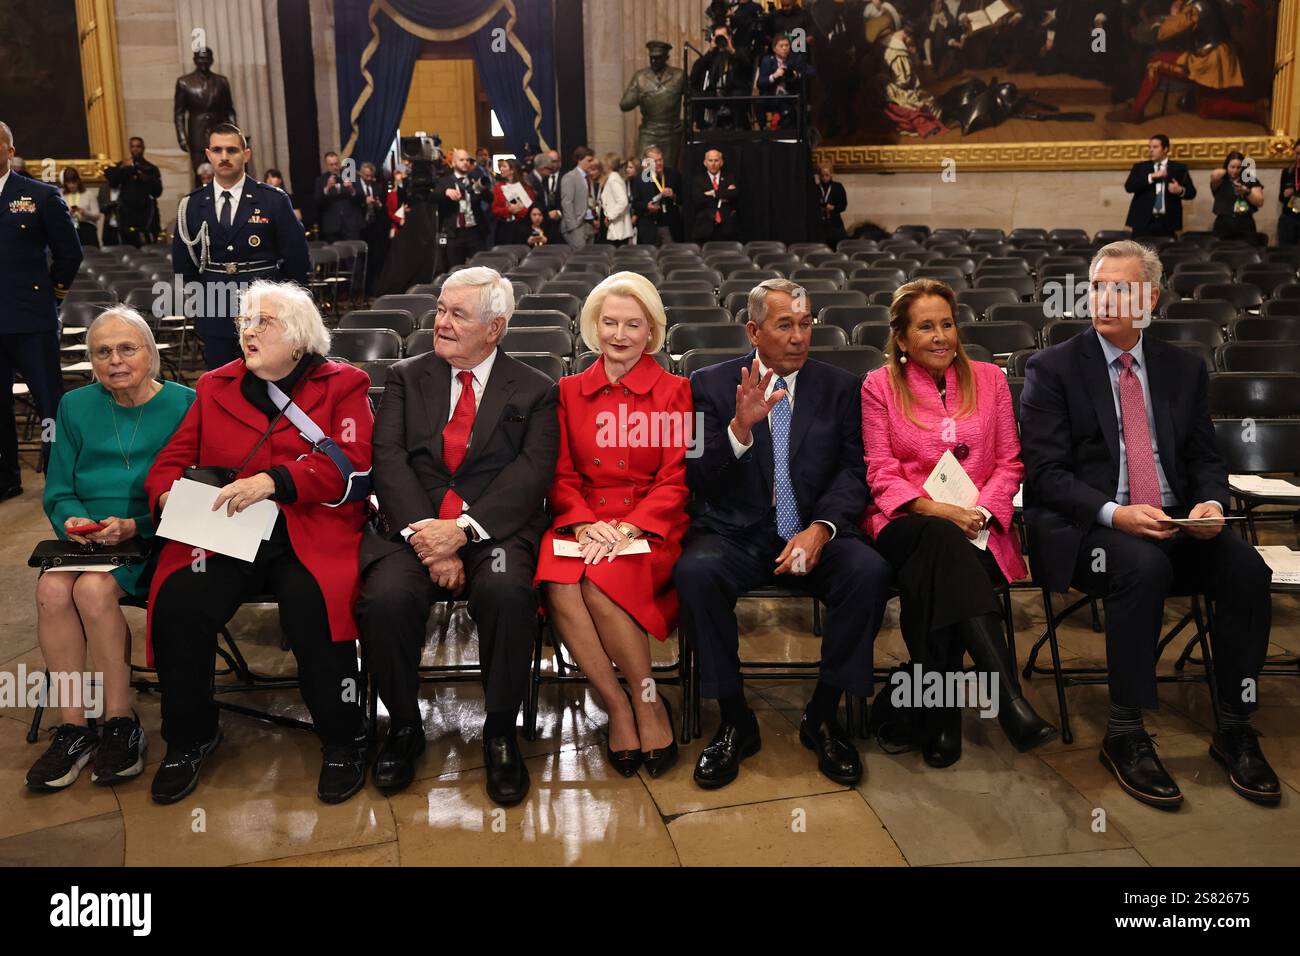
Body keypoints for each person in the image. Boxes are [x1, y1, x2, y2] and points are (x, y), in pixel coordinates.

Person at [1020, 240, 1278, 809]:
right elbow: (1045, 476)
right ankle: (1125, 729)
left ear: (1151, 298)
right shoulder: (1053, 368)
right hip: (1090, 525)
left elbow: (1206, 460)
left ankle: (1235, 722)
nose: (1106, 298)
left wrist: (1209, 505)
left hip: (1175, 520)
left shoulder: (1183, 368)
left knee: (1245, 570)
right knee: (1139, 563)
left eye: (1122, 287)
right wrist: (1117, 514)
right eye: (1099, 286)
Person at [143, 280, 374, 805]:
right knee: (181, 602)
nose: (248, 331)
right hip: (226, 533)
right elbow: (173, 459)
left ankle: (344, 736)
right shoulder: (214, 386)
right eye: (245, 321)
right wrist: (165, 499)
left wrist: (275, 481)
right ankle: (191, 735)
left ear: (296, 336)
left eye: (262, 322)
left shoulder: (345, 384)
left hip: (307, 528)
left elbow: (354, 466)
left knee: (310, 602)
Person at [675, 278, 893, 789]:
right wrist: (740, 431)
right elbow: (697, 476)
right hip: (737, 533)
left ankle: (822, 714)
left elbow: (853, 471)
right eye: (785, 325)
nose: (799, 336)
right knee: (696, 573)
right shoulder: (706, 384)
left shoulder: (840, 386)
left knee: (869, 572)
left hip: (815, 532)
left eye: (806, 323)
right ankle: (734, 719)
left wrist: (821, 529)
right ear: (753, 330)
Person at [357, 267, 560, 806]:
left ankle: (499, 730)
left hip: (494, 530)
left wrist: (463, 531)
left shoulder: (536, 389)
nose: (440, 323)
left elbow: (531, 475)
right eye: (440, 310)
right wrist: (429, 537)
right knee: (387, 599)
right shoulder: (406, 375)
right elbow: (389, 459)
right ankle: (403, 726)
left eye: (456, 315)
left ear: (495, 327)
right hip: (412, 523)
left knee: (507, 593)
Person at [861, 279, 1057, 768]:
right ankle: (1009, 699)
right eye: (925, 327)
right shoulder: (879, 385)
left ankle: (940, 716)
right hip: (906, 521)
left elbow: (1011, 463)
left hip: (981, 525)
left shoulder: (990, 379)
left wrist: (985, 512)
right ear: (902, 339)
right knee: (939, 541)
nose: (940, 336)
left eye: (947, 324)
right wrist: (940, 511)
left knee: (939, 576)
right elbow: (880, 470)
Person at [28, 309, 194, 792]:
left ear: (152, 353)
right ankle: (76, 728)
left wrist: (136, 524)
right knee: (52, 591)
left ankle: (121, 722)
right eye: (103, 352)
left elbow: (193, 490)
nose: (115, 360)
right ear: (91, 360)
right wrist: (73, 520)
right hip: (87, 536)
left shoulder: (187, 403)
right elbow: (57, 488)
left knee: (94, 591)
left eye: (128, 348)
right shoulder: (74, 407)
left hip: (156, 535)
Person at [535, 273, 691, 777]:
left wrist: (630, 530)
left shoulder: (675, 391)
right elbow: (559, 474)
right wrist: (581, 525)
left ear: (651, 332)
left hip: (648, 525)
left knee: (602, 586)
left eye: (632, 324)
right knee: (559, 584)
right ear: (593, 326)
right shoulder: (568, 390)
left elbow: (675, 478)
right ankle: (618, 706)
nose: (619, 334)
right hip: (582, 519)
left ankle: (648, 702)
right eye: (609, 322)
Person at [171, 123, 310, 370]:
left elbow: (297, 258)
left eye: (232, 150)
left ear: (246, 155)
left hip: (264, 308)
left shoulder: (272, 200)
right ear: (208, 155)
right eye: (217, 150)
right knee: (221, 382)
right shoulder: (191, 205)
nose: (224, 157)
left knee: (269, 381)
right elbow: (183, 265)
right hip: (215, 307)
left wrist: (283, 305)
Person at [0, 120, 82, 501]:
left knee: (49, 402)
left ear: (10, 150)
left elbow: (70, 253)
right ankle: (6, 477)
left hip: (31, 318)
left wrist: (53, 295)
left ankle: (57, 470)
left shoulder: (39, 195)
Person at [1105, 0, 1267, 127]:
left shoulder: (1196, 7)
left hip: (1209, 58)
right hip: (1222, 55)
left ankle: (1136, 112)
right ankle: (1254, 110)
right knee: (1206, 108)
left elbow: (1166, 31)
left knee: (1156, 62)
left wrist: (1145, 31)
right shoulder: (1208, 3)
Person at [619, 41, 688, 169]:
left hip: (671, 132)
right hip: (649, 132)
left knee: (667, 170)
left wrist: (687, 123)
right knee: (646, 171)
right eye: (652, 58)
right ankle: (647, 189)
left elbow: (690, 101)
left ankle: (666, 190)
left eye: (658, 58)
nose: (654, 61)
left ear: (666, 58)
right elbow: (624, 105)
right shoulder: (640, 77)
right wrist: (639, 96)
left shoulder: (678, 75)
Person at [1122, 134, 1196, 240]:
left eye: (1155, 147)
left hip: (1168, 221)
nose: (1151, 150)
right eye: (1149, 147)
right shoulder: (1140, 167)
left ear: (1165, 149)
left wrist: (1180, 190)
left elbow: (1191, 193)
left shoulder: (1179, 168)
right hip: (1143, 220)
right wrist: (1151, 177)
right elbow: (1129, 187)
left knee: (1167, 253)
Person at [103, 138, 163, 247]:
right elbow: (112, 181)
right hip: (126, 214)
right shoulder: (123, 166)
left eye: (138, 146)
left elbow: (157, 191)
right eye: (133, 146)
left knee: (147, 246)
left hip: (145, 213)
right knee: (127, 245)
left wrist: (145, 177)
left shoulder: (150, 168)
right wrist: (122, 167)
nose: (135, 149)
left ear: (143, 148)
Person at [435, 148, 486, 269]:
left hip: (474, 231)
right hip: (454, 232)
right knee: (455, 269)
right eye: (461, 160)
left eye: (467, 160)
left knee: (480, 268)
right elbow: (432, 197)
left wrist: (481, 189)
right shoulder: (444, 181)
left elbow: (489, 198)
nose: (465, 162)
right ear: (453, 163)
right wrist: (446, 192)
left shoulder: (474, 180)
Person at [757, 33, 815, 129]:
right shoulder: (767, 61)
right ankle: (763, 130)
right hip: (772, 96)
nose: (784, 48)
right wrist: (774, 76)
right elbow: (760, 83)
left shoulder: (796, 59)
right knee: (759, 102)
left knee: (788, 106)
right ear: (774, 49)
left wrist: (797, 74)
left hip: (790, 96)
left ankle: (786, 133)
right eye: (781, 46)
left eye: (787, 45)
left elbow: (812, 71)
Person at [629, 146, 684, 246]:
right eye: (655, 161)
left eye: (660, 160)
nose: (659, 163)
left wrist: (673, 196)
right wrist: (647, 206)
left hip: (670, 225)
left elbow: (683, 198)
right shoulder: (640, 179)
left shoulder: (673, 174)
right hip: (649, 226)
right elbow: (635, 204)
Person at [1209, 151, 1264, 242]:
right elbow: (1215, 175)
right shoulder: (1221, 180)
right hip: (1223, 223)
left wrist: (1247, 192)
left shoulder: (1249, 179)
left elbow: (1260, 201)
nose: (1235, 171)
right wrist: (1226, 171)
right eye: (1232, 167)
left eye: (1239, 167)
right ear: (1227, 166)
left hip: (1245, 223)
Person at [690, 148, 741, 243]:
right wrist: (724, 193)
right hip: (705, 229)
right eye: (710, 160)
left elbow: (734, 194)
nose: (713, 164)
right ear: (705, 163)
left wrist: (713, 193)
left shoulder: (730, 177)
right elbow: (698, 198)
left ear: (721, 162)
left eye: (716, 160)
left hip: (727, 229)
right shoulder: (698, 179)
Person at [315, 151, 364, 242]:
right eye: (331, 164)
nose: (334, 167)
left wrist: (352, 189)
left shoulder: (351, 176)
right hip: (332, 226)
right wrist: (327, 188)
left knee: (352, 254)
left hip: (351, 225)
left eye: (336, 164)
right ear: (326, 165)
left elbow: (362, 198)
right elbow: (318, 202)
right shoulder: (321, 180)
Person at [358, 161, 390, 295]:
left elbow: (383, 206)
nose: (369, 179)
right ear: (361, 174)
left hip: (375, 228)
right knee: (361, 261)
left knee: (376, 260)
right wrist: (363, 202)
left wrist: (378, 204)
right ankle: (360, 290)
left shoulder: (377, 187)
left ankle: (374, 290)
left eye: (371, 176)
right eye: (366, 176)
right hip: (361, 228)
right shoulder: (355, 187)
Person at [560, 147, 601, 248]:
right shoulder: (570, 177)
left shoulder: (588, 178)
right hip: (577, 225)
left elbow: (591, 200)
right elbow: (567, 203)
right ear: (579, 160)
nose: (591, 163)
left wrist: (594, 217)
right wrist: (572, 226)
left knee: (589, 257)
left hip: (589, 224)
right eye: (589, 160)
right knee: (580, 256)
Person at [491, 158, 536, 247]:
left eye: (504, 166)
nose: (501, 169)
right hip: (504, 228)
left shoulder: (526, 188)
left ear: (512, 170)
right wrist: (508, 210)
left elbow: (532, 209)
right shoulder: (498, 187)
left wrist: (518, 210)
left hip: (522, 227)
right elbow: (495, 209)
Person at [527, 153, 564, 244]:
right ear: (543, 168)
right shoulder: (530, 181)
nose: (552, 172)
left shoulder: (542, 180)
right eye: (550, 169)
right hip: (535, 224)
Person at [61, 167, 101, 249]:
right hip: (69, 230)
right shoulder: (61, 196)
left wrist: (85, 212)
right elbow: (57, 217)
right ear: (65, 183)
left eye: (74, 182)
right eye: (69, 182)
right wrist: (68, 213)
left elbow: (97, 215)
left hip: (87, 228)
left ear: (78, 181)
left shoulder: (88, 194)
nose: (72, 185)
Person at [600, 153, 634, 247]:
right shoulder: (614, 178)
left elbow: (623, 201)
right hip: (615, 224)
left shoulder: (613, 179)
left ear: (608, 165)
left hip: (617, 226)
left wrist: (610, 216)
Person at [817, 162, 848, 249]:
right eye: (822, 175)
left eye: (827, 175)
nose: (824, 178)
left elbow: (843, 205)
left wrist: (833, 207)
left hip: (835, 225)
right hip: (820, 224)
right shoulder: (816, 188)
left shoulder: (838, 187)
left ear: (831, 174)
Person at [1279, 139, 1300, 246]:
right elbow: (1281, 198)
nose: (1299, 157)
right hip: (1289, 217)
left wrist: (1295, 190)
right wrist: (1285, 194)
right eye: (1297, 153)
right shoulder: (1287, 171)